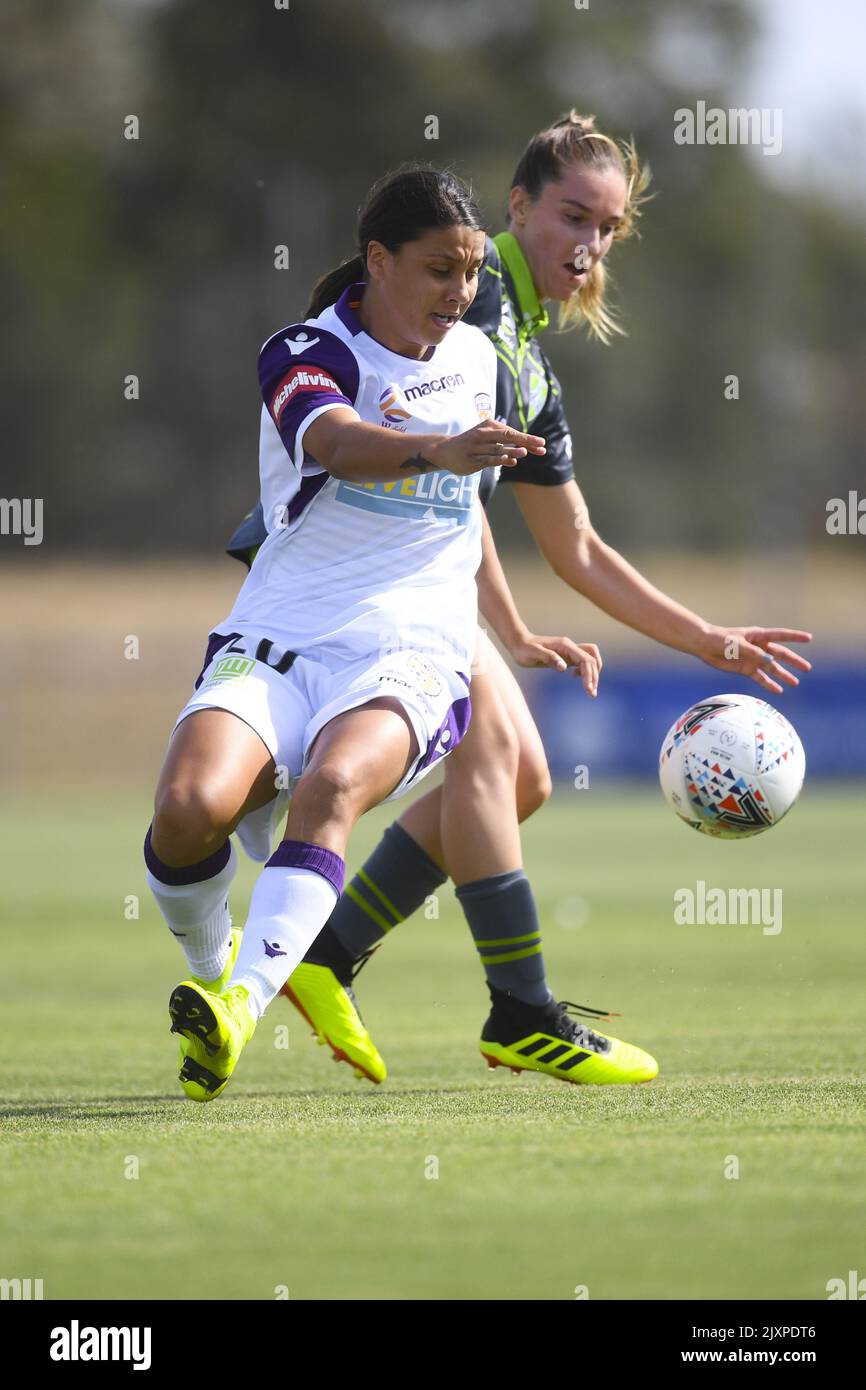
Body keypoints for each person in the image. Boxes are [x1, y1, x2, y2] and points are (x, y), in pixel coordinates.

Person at [228, 113, 811, 1089]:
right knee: (489, 749)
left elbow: (570, 544)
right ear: (516, 208)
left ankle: (324, 953)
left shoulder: (527, 361)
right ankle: (522, 1011)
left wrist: (703, 639)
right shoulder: (476, 292)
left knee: (517, 781)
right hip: (345, 584)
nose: (587, 243)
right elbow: (410, 473)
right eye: (572, 215)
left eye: (608, 228)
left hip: (411, 583)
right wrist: (497, 624)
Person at [145, 165, 557, 1103]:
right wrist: (433, 448)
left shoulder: (479, 361)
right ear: (378, 260)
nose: (459, 293)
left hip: (412, 649)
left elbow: (467, 512)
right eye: (438, 270)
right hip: (282, 634)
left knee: (333, 786)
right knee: (186, 809)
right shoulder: (302, 349)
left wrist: (517, 629)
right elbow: (331, 442)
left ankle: (241, 1008)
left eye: (468, 274)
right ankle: (214, 968)